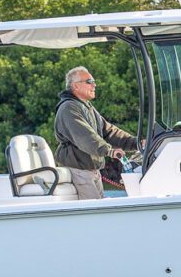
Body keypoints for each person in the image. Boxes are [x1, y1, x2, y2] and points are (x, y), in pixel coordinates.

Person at [54, 66, 139, 200]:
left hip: (91, 170)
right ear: (76, 86)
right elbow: (86, 137)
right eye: (89, 81)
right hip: (79, 171)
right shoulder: (69, 108)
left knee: (100, 210)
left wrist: (137, 142)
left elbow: (109, 131)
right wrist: (109, 151)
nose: (94, 84)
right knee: (94, 214)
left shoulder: (86, 107)